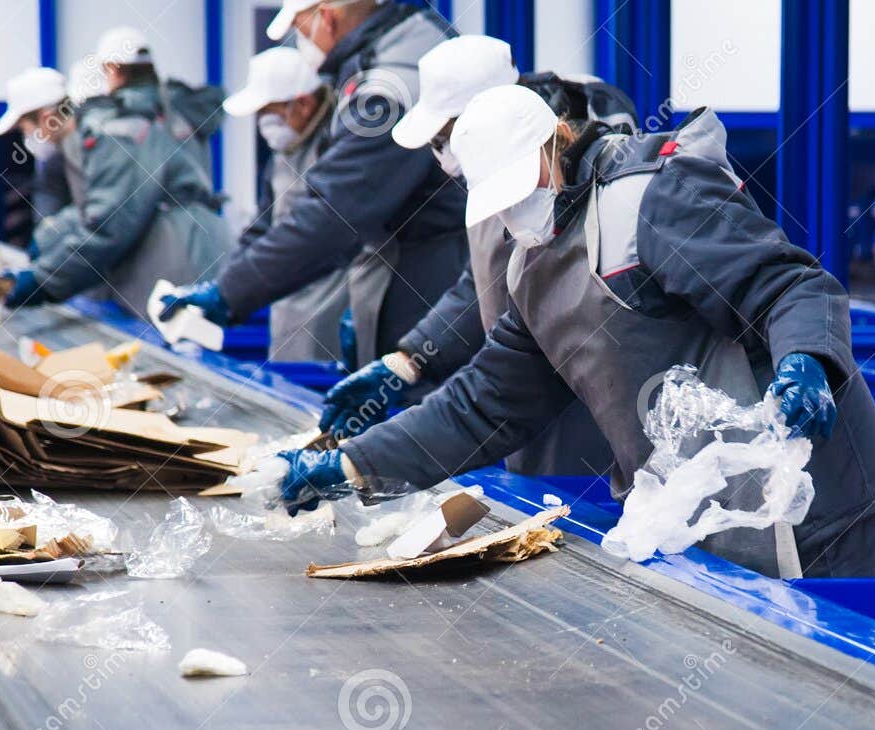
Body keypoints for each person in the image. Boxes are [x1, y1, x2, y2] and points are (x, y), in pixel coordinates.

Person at [273, 86, 875, 579]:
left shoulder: (653, 198)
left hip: (803, 495)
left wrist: (807, 363)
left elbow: (794, 286)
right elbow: (486, 403)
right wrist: (353, 465)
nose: (517, 209)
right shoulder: (531, 261)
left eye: (525, 188)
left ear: (556, 143)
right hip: (703, 503)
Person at [318, 34, 631, 479]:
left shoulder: (551, 180)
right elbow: (480, 284)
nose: (442, 153)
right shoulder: (488, 178)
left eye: (446, 134)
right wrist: (408, 360)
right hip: (514, 389)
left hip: (575, 410)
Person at [155, 0, 468, 371]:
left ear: (328, 18)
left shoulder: (386, 92)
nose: (303, 45)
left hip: (429, 302)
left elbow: (334, 214)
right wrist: (228, 285)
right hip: (418, 296)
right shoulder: (393, 62)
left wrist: (230, 293)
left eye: (302, 30)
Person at [4, 28, 229, 319]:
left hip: (176, 253)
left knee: (182, 346)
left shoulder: (120, 132)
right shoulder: (160, 115)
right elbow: (101, 206)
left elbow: (111, 222)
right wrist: (50, 238)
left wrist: (44, 279)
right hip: (184, 246)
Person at [222, 47, 349, 362]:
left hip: (331, 307)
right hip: (287, 304)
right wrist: (225, 285)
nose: (263, 123)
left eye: (270, 111)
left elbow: (323, 229)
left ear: (304, 104)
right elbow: (263, 226)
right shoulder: (284, 152)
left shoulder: (339, 146)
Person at [0, 66, 73, 224]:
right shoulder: (56, 162)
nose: (26, 137)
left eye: (23, 128)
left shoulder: (95, 151)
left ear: (46, 118)